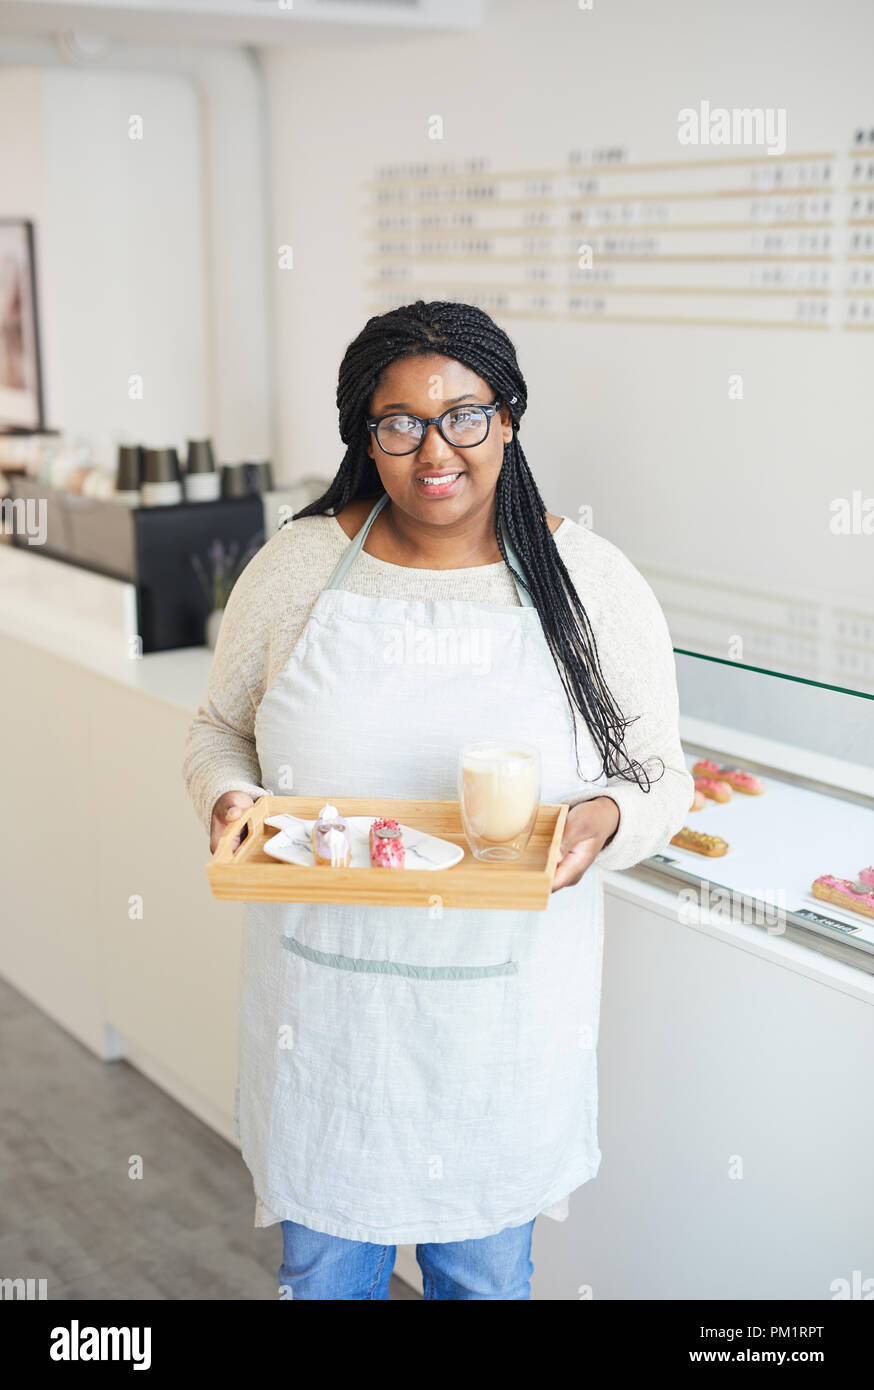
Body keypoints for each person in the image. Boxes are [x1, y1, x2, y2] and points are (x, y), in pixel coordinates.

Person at [183, 299, 692, 1300]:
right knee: (324, 1277)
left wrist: (611, 822)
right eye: (399, 421)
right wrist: (229, 794)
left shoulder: (589, 580)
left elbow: (660, 774)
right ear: (364, 437)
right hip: (326, 1026)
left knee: (486, 1277)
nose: (434, 449)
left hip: (500, 1036)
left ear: (508, 419)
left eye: (464, 414)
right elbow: (216, 728)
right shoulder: (295, 568)